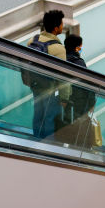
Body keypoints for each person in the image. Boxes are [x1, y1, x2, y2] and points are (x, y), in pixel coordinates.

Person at [25, 9, 69, 139]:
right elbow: (63, 77)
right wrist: (65, 98)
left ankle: (36, 140)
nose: (63, 26)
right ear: (56, 28)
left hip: (36, 85)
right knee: (50, 118)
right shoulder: (58, 49)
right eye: (61, 24)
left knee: (38, 114)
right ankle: (47, 149)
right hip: (51, 89)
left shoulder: (32, 40)